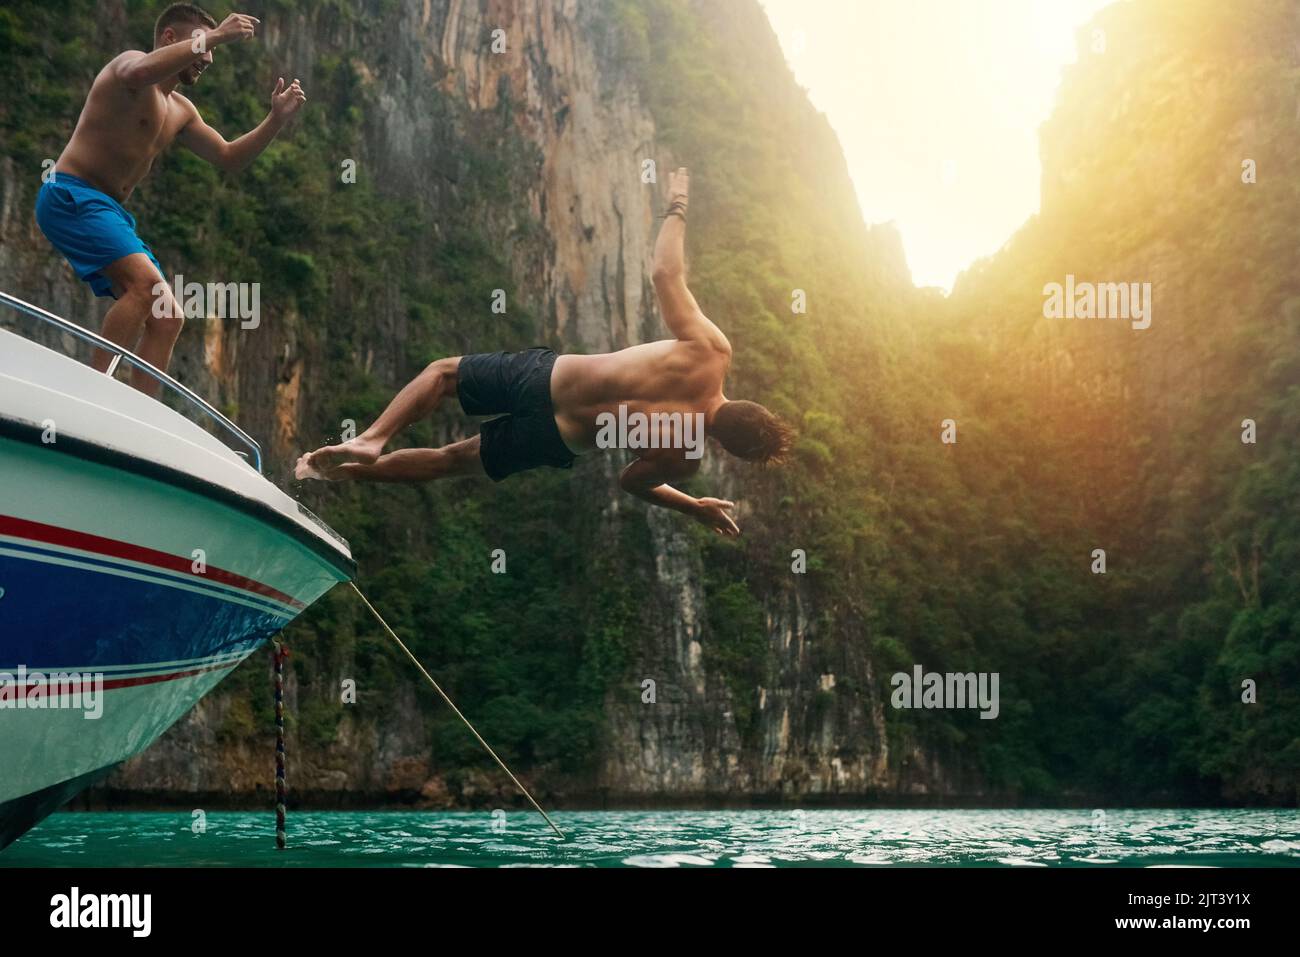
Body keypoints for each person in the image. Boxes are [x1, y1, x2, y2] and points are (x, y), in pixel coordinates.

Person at [296, 169, 793, 537]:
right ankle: (338, 471)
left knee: (445, 374)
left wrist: (679, 204)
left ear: (752, 406)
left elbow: (665, 274)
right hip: (555, 437)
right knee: (450, 461)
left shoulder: (711, 351)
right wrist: (695, 508)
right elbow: (631, 481)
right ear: (728, 447)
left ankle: (371, 438)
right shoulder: (684, 455)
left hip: (548, 379)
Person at [35, 3, 307, 395]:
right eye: (203, 46)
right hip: (71, 193)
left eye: (211, 50)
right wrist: (216, 35)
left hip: (109, 211)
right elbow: (141, 71)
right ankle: (91, 392)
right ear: (169, 38)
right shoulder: (131, 67)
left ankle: (139, 417)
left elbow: (229, 157)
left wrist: (275, 120)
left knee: (168, 317)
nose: (208, 58)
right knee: (144, 288)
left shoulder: (181, 110)